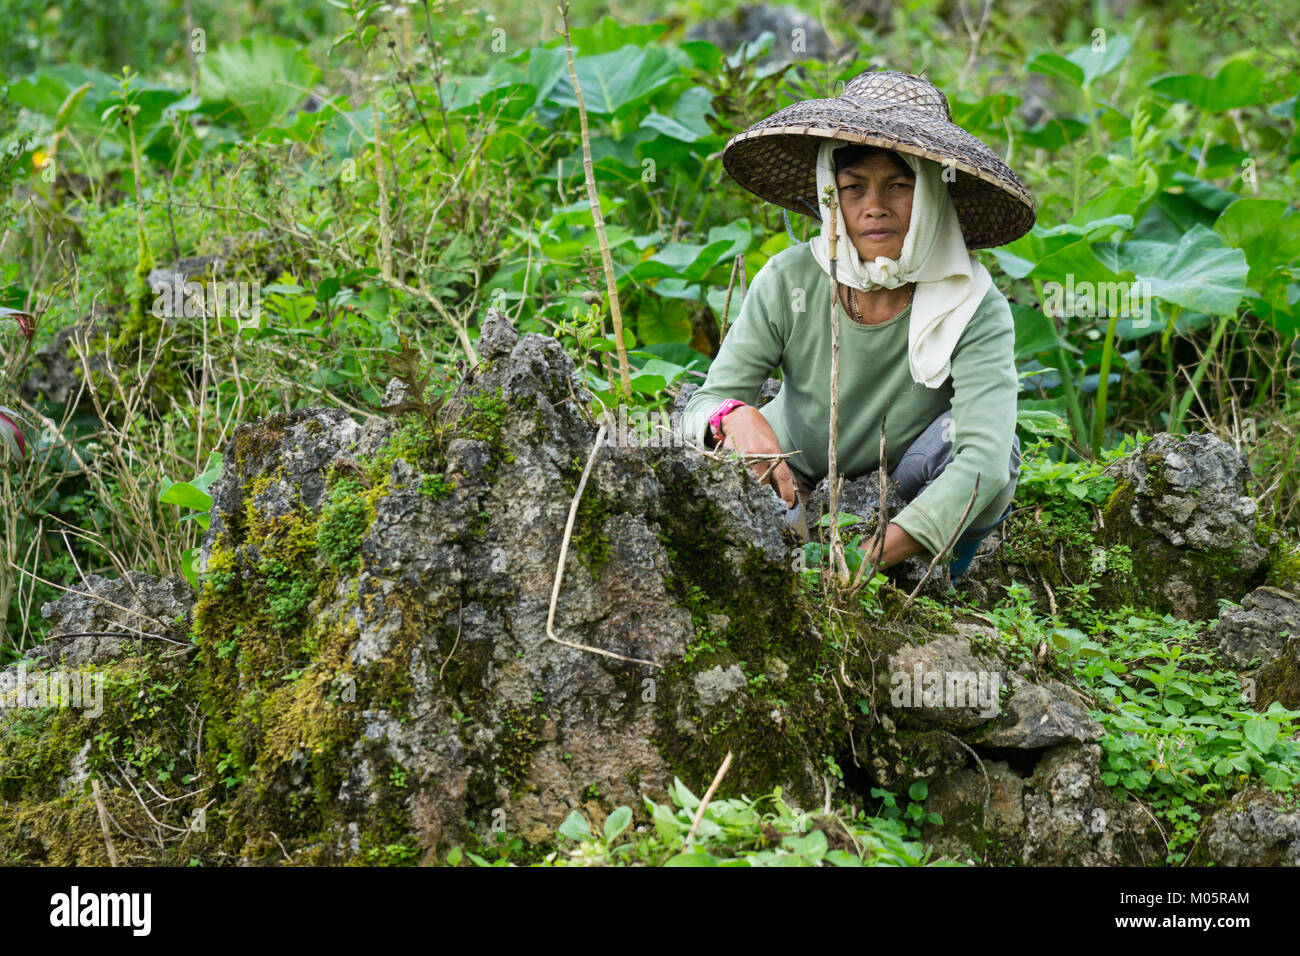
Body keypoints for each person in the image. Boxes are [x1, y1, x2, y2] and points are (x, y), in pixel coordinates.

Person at [681, 71, 1037, 581]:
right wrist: (730, 416)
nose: (875, 207)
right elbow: (701, 406)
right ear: (830, 196)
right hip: (793, 468)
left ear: (935, 194)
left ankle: (944, 573)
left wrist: (863, 560)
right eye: (853, 188)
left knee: (999, 465)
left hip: (907, 481)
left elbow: (982, 462)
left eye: (900, 185)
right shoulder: (789, 280)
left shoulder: (973, 303)